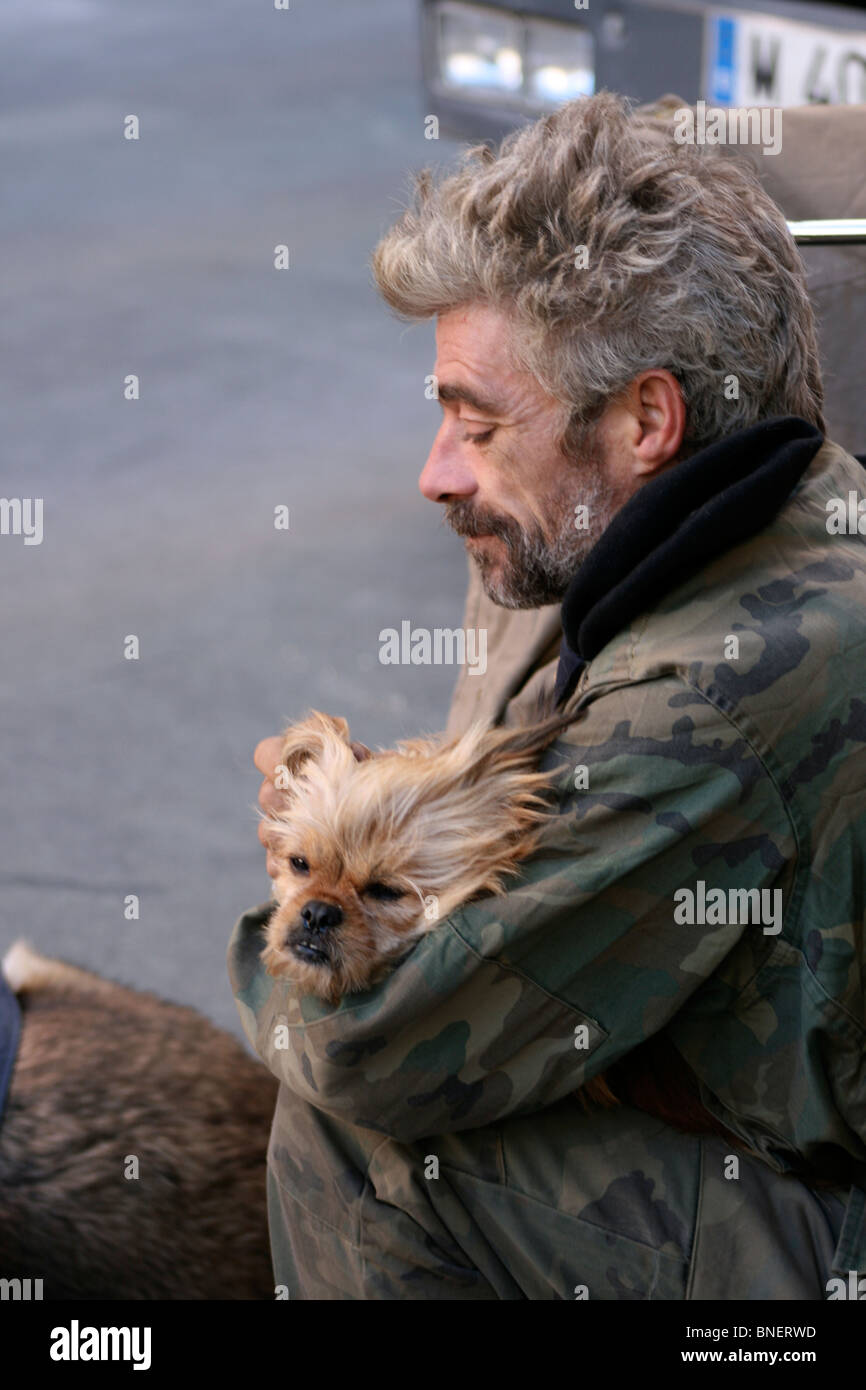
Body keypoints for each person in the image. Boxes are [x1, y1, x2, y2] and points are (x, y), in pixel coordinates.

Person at [229, 92, 866, 1299]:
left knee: (365, 1138)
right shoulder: (813, 508)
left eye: (476, 427)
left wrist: (284, 915)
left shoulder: (710, 701)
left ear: (646, 420)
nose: (432, 476)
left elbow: (373, 1047)